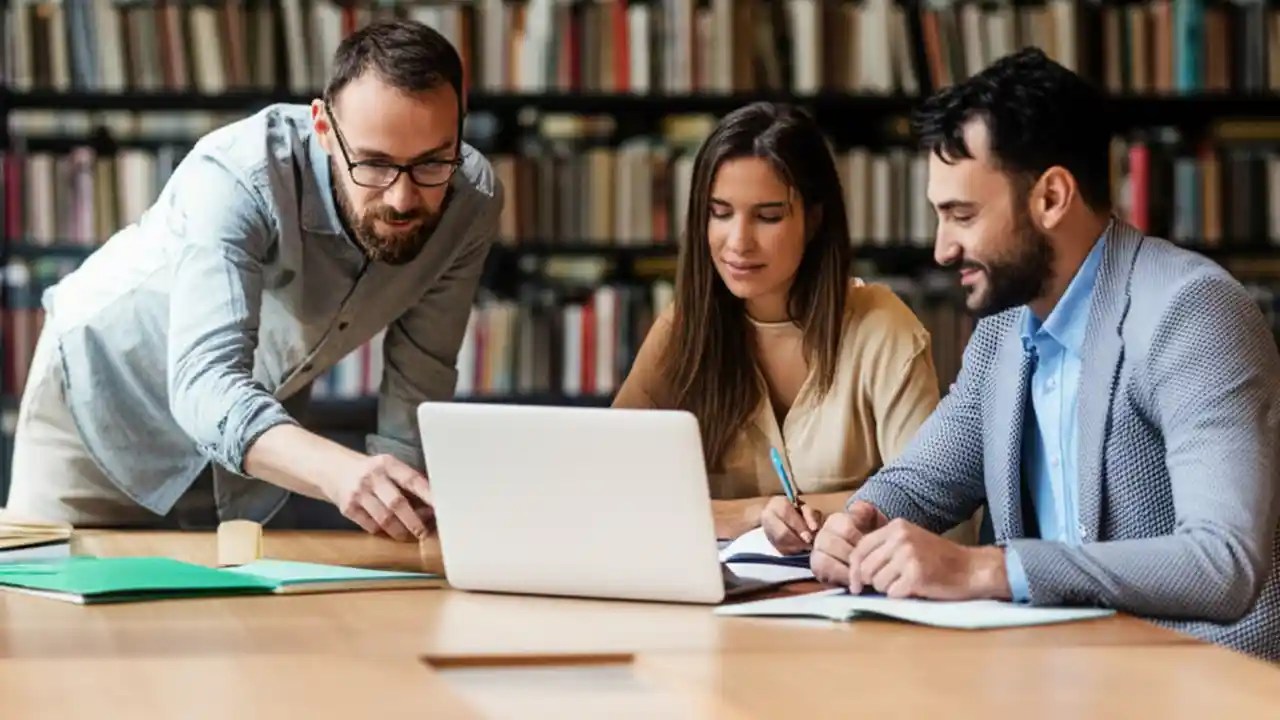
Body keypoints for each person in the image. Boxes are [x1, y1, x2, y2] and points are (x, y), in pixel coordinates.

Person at [810, 48, 1280, 660]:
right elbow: (920, 482)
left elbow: (1222, 562)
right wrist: (858, 524)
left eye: (963, 215)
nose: (941, 249)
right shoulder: (1004, 330)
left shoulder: (1191, 312)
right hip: (1052, 675)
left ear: (1052, 197)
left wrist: (989, 570)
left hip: (1198, 678)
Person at [5, 20, 503, 541]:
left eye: (431, 163)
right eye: (374, 164)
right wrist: (342, 473)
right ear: (325, 130)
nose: (403, 198)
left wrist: (403, 512)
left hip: (257, 429)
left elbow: (421, 370)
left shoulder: (472, 201)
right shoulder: (238, 174)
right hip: (104, 398)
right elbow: (205, 384)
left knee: (242, 617)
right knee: (57, 604)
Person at [614, 102, 975, 551]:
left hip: (851, 600)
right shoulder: (683, 329)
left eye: (768, 216)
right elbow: (613, 487)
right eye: (720, 212)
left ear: (815, 219)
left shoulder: (882, 331)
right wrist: (752, 513)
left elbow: (938, 511)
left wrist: (744, 513)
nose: (739, 241)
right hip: (718, 601)